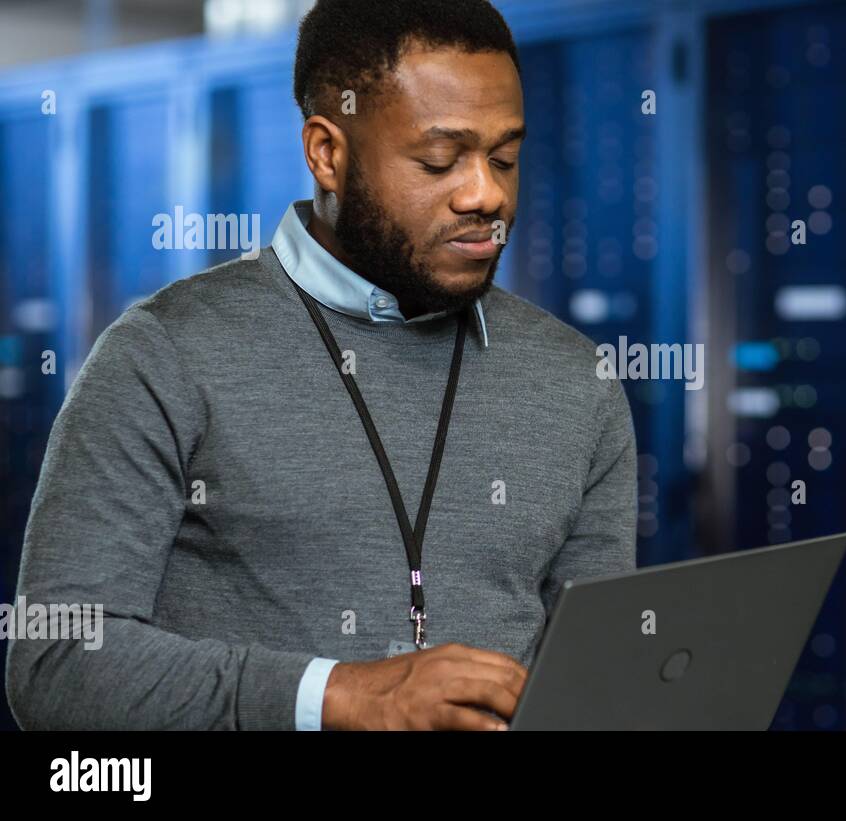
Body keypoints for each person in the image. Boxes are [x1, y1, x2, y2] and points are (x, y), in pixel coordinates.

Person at [5, 0, 637, 731]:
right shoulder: (163, 354)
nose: (485, 195)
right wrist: (338, 695)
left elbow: (599, 673)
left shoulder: (575, 380)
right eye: (439, 159)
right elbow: (57, 662)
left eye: (504, 157)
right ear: (327, 152)